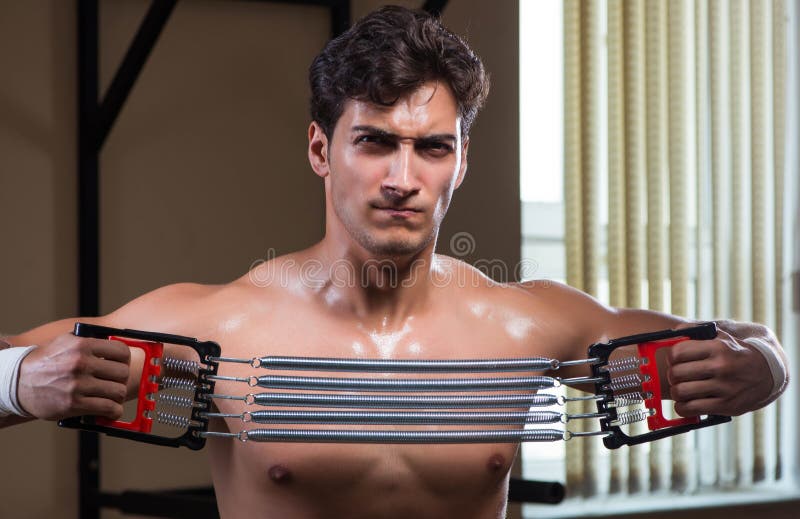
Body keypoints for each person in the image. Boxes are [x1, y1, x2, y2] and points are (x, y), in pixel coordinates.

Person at [0, 6, 788, 519]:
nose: (403, 178)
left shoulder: (524, 322)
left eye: (431, 147)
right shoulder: (221, 323)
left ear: (461, 161)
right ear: (322, 148)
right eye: (374, 140)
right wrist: (22, 381)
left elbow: (742, 342)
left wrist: (768, 370)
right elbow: (15, 365)